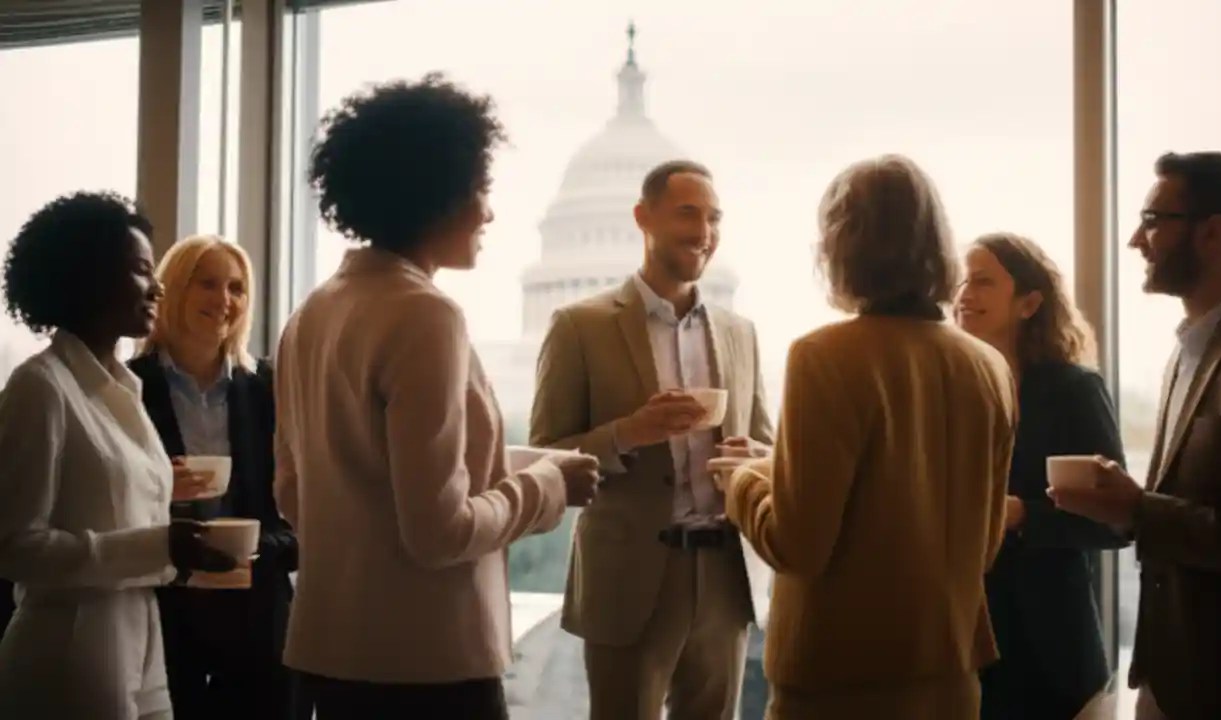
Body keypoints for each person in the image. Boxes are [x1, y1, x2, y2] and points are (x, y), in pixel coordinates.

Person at [274, 74, 600, 720]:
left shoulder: (312, 313)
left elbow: (300, 488)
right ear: (436, 192)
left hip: (330, 655)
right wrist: (547, 490)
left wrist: (542, 460)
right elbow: (439, 530)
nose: (488, 212)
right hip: (425, 669)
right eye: (480, 189)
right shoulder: (426, 317)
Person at [716, 155, 1016, 720]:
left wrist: (739, 483)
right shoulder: (987, 366)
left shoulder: (822, 357)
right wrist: (774, 464)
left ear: (840, 245)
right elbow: (983, 538)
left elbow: (797, 543)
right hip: (951, 672)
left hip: (839, 679)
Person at [529, 159, 775, 720]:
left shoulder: (741, 333)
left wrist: (756, 459)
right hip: (627, 579)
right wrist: (629, 432)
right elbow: (545, 456)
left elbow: (766, 446)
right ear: (643, 218)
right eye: (688, 213)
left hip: (723, 577)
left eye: (714, 218)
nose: (704, 233)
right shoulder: (579, 326)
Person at [1051, 151, 1221, 719]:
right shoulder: (1185, 353)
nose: (1136, 239)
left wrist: (1141, 510)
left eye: (1153, 220)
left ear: (1212, 232)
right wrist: (1127, 510)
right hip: (1169, 675)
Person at [0, 191, 235, 719]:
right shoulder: (39, 386)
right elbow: (14, 547)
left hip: (142, 637)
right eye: (140, 270)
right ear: (89, 277)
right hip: (71, 651)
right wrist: (160, 545)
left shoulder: (124, 389)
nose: (157, 286)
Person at [954, 232, 1129, 719]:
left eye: (983, 281)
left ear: (1030, 302)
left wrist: (1020, 514)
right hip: (960, 642)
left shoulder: (1074, 390)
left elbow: (1114, 522)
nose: (964, 294)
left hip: (1047, 645)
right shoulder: (950, 389)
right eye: (962, 280)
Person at [129, 235, 303, 720]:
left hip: (259, 612)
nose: (223, 300)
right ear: (172, 290)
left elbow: (305, 508)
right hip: (164, 609)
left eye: (236, 287)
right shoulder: (126, 388)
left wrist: (263, 548)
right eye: (206, 283)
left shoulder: (271, 388)